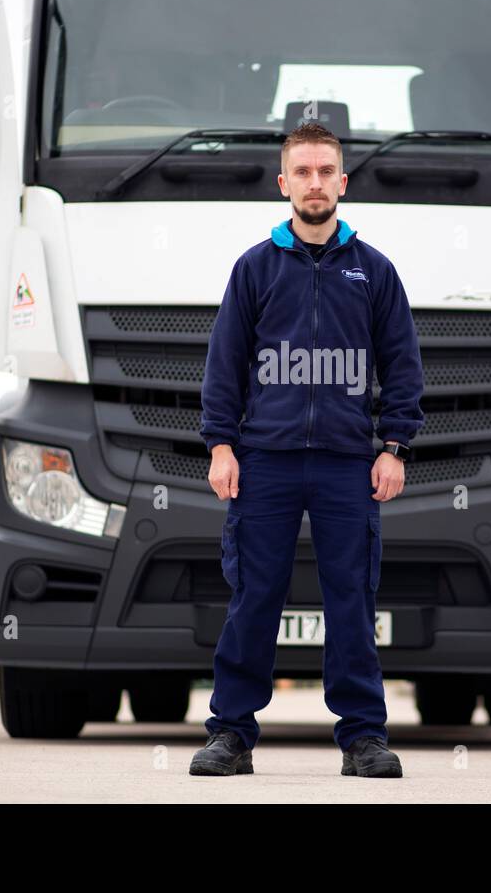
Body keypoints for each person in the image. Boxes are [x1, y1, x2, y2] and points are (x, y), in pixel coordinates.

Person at [190, 122, 424, 777]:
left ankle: (363, 739)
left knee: (351, 598)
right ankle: (231, 735)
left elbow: (402, 366)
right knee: (254, 596)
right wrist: (220, 445)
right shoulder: (255, 268)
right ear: (284, 182)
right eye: (304, 171)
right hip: (264, 459)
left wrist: (394, 447)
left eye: (327, 171)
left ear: (342, 183)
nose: (316, 182)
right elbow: (225, 365)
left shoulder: (373, 272)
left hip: (349, 463)